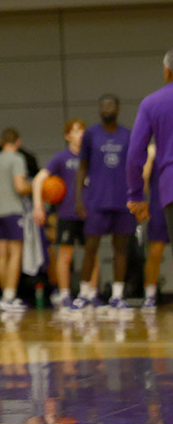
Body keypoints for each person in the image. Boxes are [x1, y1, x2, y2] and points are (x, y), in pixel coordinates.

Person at [78, 94, 136, 314]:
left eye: (110, 105)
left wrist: (137, 196)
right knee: (90, 247)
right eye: (102, 106)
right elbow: (82, 167)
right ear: (99, 110)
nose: (106, 109)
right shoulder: (91, 134)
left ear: (118, 109)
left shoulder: (128, 135)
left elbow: (135, 168)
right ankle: (84, 294)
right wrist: (78, 198)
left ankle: (117, 296)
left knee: (120, 249)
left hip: (122, 200)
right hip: (96, 200)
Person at [128, 51, 173, 313]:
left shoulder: (152, 102)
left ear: (166, 72)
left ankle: (149, 296)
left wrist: (135, 195)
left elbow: (136, 154)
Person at [32, 119, 87, 311]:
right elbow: (39, 179)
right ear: (67, 135)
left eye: (82, 130)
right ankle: (64, 295)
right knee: (65, 255)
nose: (80, 133)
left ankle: (91, 295)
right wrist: (38, 206)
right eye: (76, 130)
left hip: (89, 213)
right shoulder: (61, 158)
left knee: (91, 255)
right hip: (67, 213)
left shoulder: (91, 156)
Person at [0, 128, 32, 313]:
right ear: (18, 142)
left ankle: (5, 296)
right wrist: (35, 186)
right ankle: (10, 296)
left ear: (1, 142)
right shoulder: (17, 159)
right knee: (15, 253)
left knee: (1, 253)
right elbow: (20, 186)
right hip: (13, 210)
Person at [141, 145, 166, 312]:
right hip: (160, 205)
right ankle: (149, 295)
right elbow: (144, 178)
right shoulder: (154, 149)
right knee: (155, 251)